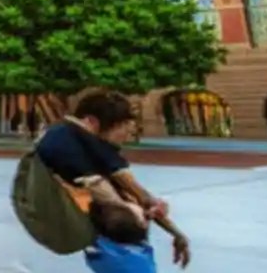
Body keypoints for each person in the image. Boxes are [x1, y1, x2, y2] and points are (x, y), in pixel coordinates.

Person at [35, 91, 189, 272]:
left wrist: (175, 233)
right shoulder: (75, 142)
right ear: (91, 122)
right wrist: (131, 208)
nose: (128, 132)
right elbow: (130, 193)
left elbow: (138, 196)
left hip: (108, 247)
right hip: (118, 250)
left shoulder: (73, 139)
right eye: (122, 125)